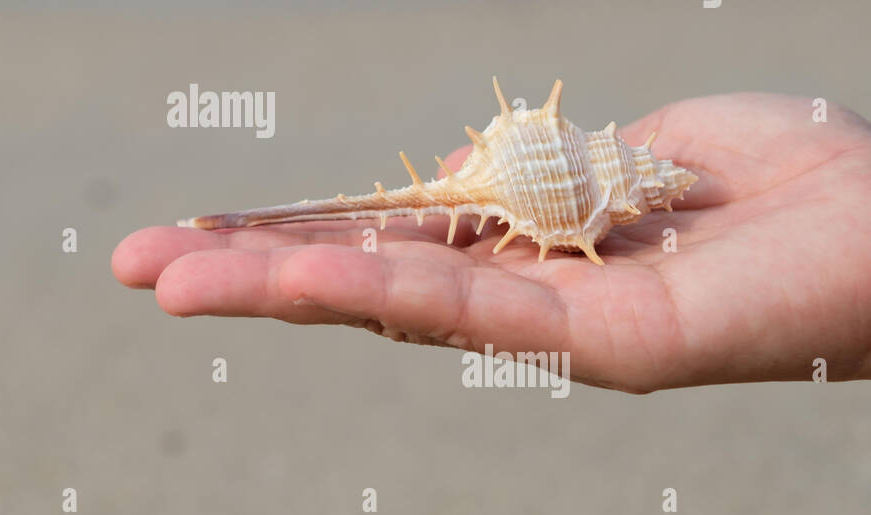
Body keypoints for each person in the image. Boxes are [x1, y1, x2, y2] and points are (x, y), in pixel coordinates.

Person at [112, 93, 871, 393]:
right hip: (556, 185)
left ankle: (247, 220)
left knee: (419, 197)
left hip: (570, 187)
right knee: (423, 194)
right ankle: (248, 220)